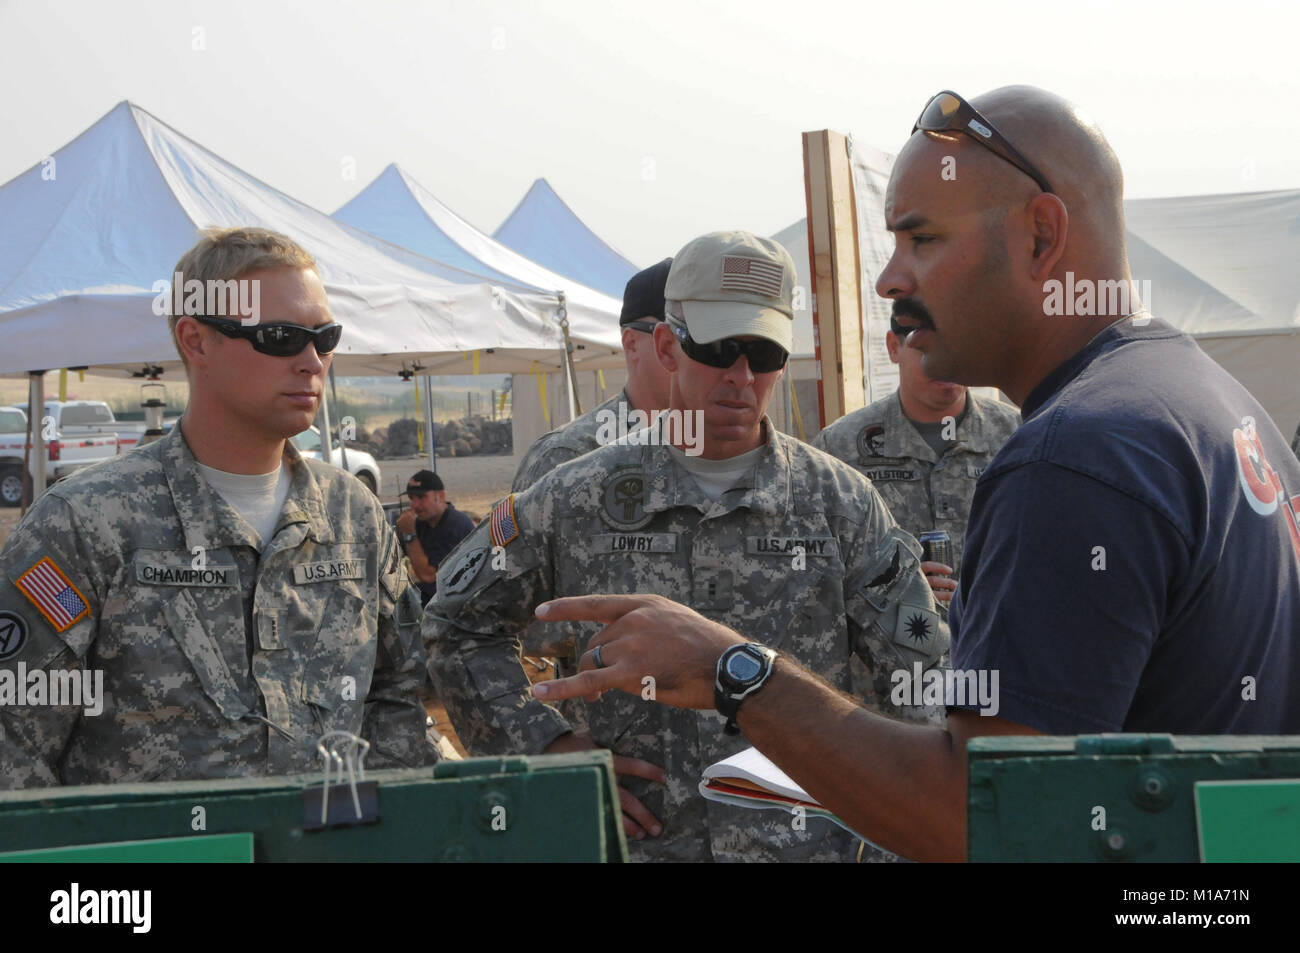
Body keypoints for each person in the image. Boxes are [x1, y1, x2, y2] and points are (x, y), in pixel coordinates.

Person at [529, 87, 1300, 862]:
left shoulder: (1075, 457)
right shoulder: (1221, 411)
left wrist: (733, 670)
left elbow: (977, 818)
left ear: (1042, 234)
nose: (889, 281)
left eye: (922, 238)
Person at [426, 231, 947, 862]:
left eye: (764, 353)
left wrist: (893, 834)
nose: (742, 377)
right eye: (720, 348)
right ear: (669, 347)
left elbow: (919, 683)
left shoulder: (842, 505)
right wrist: (546, 748)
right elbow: (456, 626)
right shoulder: (578, 495)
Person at [0, 226, 438, 789]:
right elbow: (14, 749)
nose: (312, 361)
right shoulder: (84, 523)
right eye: (280, 337)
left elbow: (396, 695)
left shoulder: (353, 515)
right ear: (196, 340)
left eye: (323, 337)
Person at [813, 319, 1020, 605]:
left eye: (960, 345)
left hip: (993, 642)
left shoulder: (1019, 437)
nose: (946, 361)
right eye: (928, 347)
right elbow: (813, 571)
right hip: (885, 646)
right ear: (892, 346)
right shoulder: (839, 448)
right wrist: (887, 587)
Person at [511, 258, 674, 492]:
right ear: (632, 344)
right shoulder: (566, 458)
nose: (698, 352)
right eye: (678, 336)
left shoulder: (722, 449)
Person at [395, 469, 475, 606]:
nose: (415, 505)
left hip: (456, 603)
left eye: (421, 497)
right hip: (429, 599)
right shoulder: (420, 522)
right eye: (411, 498)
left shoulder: (456, 525)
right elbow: (393, 550)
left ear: (441, 496)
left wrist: (409, 534)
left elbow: (430, 576)